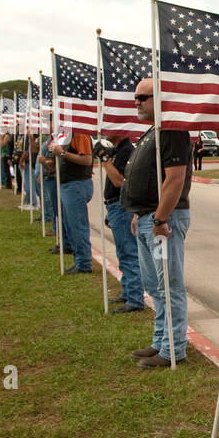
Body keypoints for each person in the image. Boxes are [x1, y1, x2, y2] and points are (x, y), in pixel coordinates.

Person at [121, 78, 191, 368]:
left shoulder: (172, 129)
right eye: (136, 97)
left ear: (159, 98)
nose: (136, 102)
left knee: (169, 285)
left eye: (142, 97)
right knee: (155, 285)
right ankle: (161, 341)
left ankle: (174, 349)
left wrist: (161, 217)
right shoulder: (154, 131)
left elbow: (175, 178)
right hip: (149, 217)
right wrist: (141, 213)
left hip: (164, 221)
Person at [97, 129, 145, 313]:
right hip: (115, 206)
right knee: (122, 252)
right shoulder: (118, 151)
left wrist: (104, 160)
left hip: (121, 206)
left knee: (128, 252)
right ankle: (127, 291)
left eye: (110, 128)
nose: (105, 132)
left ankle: (134, 298)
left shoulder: (126, 151)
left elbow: (119, 181)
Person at [53, 124, 94, 274]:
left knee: (77, 226)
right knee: (70, 225)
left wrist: (63, 153)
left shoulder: (79, 133)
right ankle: (79, 260)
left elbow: (87, 160)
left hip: (76, 184)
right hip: (69, 184)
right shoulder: (67, 133)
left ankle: (84, 262)